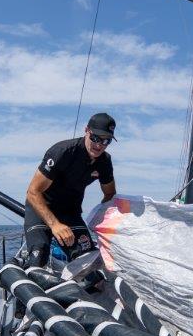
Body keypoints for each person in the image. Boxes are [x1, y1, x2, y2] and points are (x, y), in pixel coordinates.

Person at [15, 112, 118, 268]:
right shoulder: (62, 151)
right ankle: (22, 266)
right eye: (96, 138)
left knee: (87, 261)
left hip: (70, 213)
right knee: (39, 254)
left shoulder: (104, 162)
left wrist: (102, 221)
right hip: (41, 208)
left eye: (106, 141)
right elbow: (33, 192)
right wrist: (55, 225)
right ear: (86, 131)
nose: (99, 145)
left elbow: (110, 194)